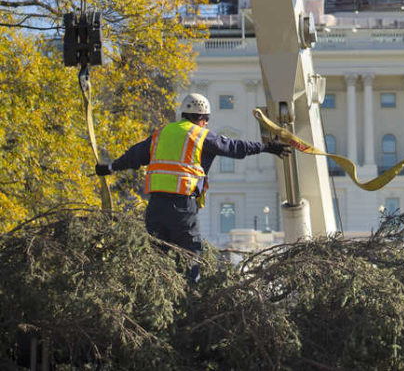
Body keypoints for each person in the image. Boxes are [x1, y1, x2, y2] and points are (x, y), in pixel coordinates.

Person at [95, 92, 291, 281]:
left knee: (157, 254)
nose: (206, 124)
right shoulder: (200, 135)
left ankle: (156, 297)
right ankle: (190, 300)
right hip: (181, 207)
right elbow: (234, 147)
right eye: (206, 120)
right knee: (191, 254)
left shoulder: (162, 133)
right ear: (203, 118)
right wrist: (266, 147)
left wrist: (110, 167)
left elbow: (134, 155)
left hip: (155, 207)